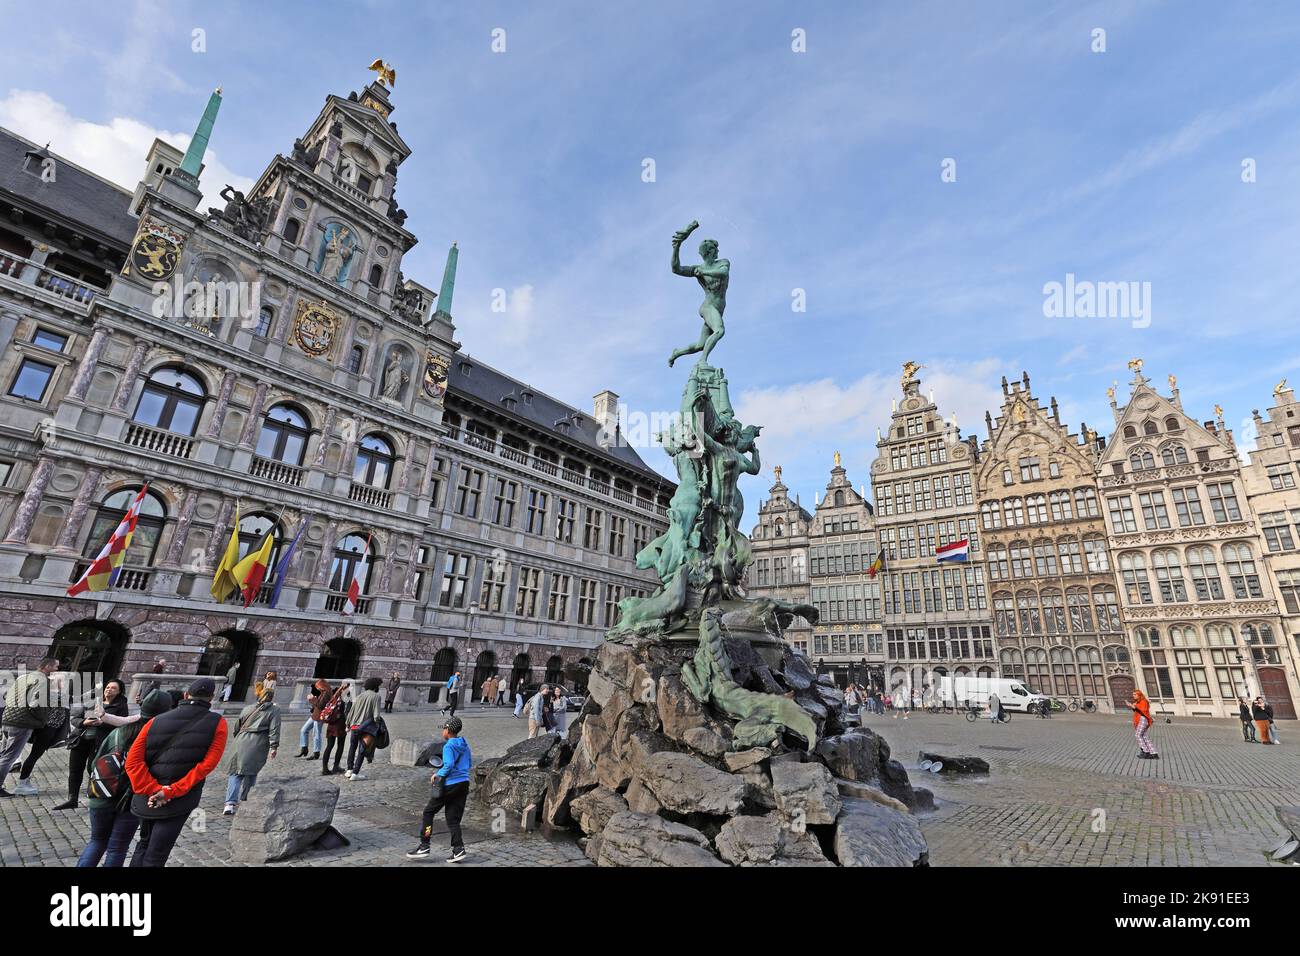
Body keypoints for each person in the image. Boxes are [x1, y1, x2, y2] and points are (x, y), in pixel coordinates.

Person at [125, 677, 229, 867]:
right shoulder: (218, 723)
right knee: (157, 853)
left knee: (144, 844)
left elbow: (132, 762)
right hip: (180, 798)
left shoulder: (156, 720)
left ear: (186, 695)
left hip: (147, 796)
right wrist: (169, 791)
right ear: (211, 698)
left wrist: (152, 789)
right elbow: (207, 765)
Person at [77, 689, 174, 868]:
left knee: (97, 841)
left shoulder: (120, 732)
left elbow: (95, 763)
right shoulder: (162, 740)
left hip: (102, 794)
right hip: (132, 800)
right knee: (117, 848)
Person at [54, 678, 138, 810]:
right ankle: (72, 799)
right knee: (75, 770)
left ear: (119, 691)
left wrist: (103, 722)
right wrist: (84, 722)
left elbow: (121, 725)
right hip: (80, 740)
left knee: (93, 769)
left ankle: (94, 797)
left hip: (100, 742)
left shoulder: (120, 706)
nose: (109, 689)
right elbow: (75, 718)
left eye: (113, 688)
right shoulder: (92, 702)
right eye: (107, 687)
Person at [405, 715, 472, 863]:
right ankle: (458, 849)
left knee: (428, 812)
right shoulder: (465, 744)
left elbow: (448, 765)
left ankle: (424, 845)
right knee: (453, 819)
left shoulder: (449, 746)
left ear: (448, 730)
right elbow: (469, 764)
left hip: (450, 784)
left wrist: (437, 774)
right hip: (464, 783)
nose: (443, 731)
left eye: (444, 729)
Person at [0, 656, 59, 796]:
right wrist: (43, 719)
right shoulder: (43, 681)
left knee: (4, 755)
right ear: (48, 667)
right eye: (56, 666)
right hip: (22, 723)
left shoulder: (23, 678)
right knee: (9, 757)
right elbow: (35, 704)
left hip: (8, 719)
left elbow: (7, 696)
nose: (57, 669)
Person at [224, 683, 281, 814]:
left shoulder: (248, 708)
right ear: (272, 698)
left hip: (240, 740)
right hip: (258, 742)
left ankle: (230, 804)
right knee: (251, 772)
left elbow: (237, 726)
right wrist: (274, 746)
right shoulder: (274, 710)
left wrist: (237, 737)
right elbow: (274, 729)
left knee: (235, 772)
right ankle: (246, 800)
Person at [11, 673, 71, 796]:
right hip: (46, 729)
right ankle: (22, 783)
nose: (65, 683)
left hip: (52, 729)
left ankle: (24, 781)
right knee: (34, 755)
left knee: (35, 755)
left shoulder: (58, 694)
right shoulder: (51, 694)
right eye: (63, 681)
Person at [345, 677, 383, 780]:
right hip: (366, 728)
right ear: (375, 686)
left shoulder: (359, 696)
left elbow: (351, 712)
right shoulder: (376, 696)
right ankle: (355, 774)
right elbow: (376, 716)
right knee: (362, 750)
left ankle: (349, 770)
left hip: (354, 726)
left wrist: (348, 725)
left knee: (352, 747)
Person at [320, 682, 348, 775]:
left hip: (331, 724)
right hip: (340, 724)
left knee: (329, 746)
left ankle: (325, 768)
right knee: (340, 745)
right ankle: (336, 766)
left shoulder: (335, 697)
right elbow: (346, 712)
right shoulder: (345, 699)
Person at [299, 678, 330, 758]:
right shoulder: (323, 692)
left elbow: (321, 706)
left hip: (319, 716)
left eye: (318, 686)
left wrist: (313, 699)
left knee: (316, 734)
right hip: (315, 715)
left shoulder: (326, 693)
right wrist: (313, 701)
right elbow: (318, 705)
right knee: (304, 730)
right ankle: (304, 748)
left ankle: (316, 752)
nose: (317, 688)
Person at [1131, 689, 1159, 759]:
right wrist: (1133, 706)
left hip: (1143, 719)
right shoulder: (1138, 701)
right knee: (1144, 736)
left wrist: (1135, 706)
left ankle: (1145, 751)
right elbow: (1137, 710)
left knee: (1138, 735)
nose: (1133, 696)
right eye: (1133, 694)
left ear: (1139, 695)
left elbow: (1144, 710)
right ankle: (1154, 753)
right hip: (1141, 719)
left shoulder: (1143, 701)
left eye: (1135, 694)